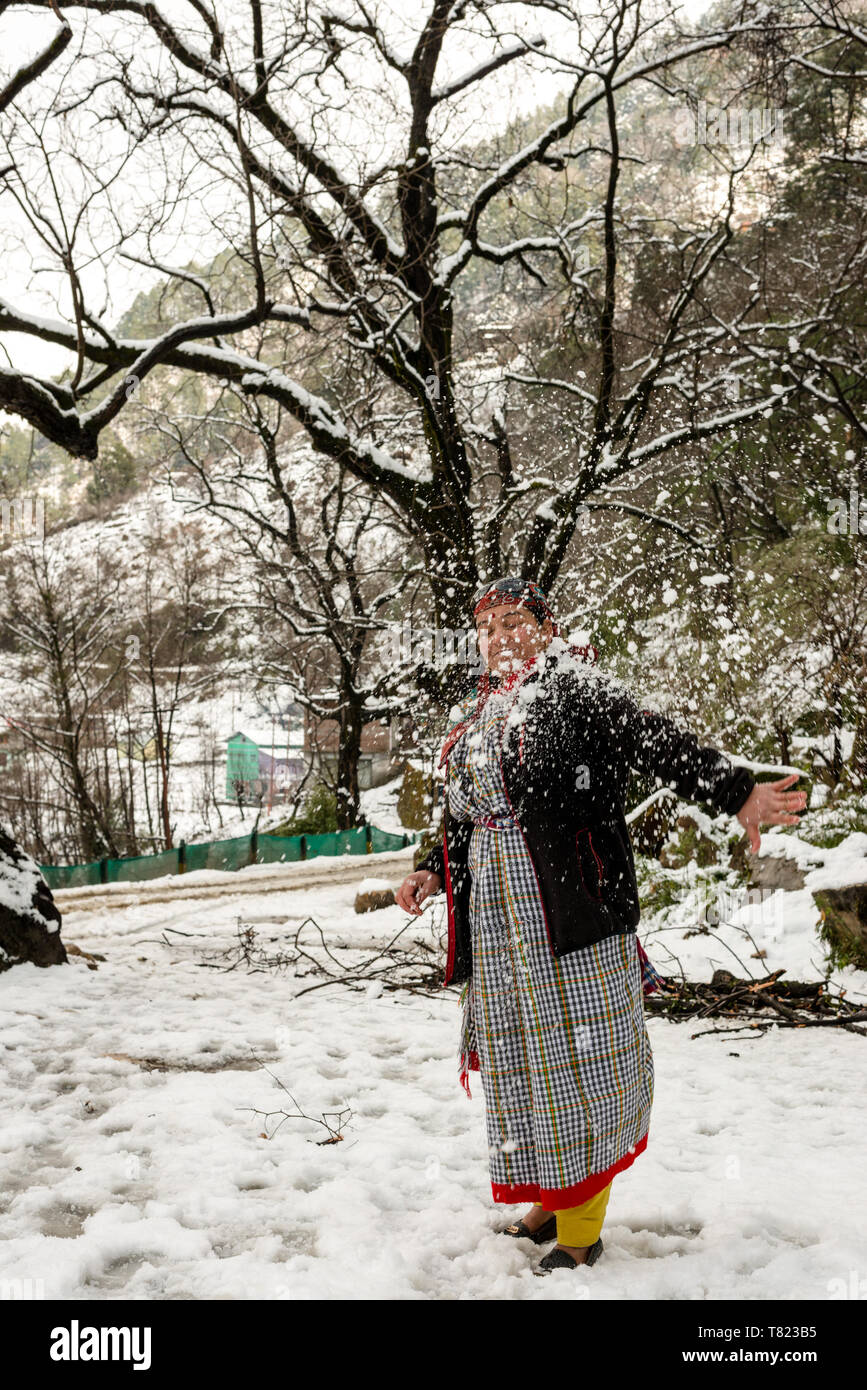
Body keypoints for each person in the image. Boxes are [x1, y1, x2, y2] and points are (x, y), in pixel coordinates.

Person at [396, 576, 807, 1274]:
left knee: (582, 1063)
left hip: (570, 913)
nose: (500, 635)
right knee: (524, 1057)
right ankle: (552, 1200)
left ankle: (580, 1228)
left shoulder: (576, 690)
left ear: (547, 627)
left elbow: (656, 742)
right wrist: (432, 867)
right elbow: (462, 813)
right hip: (498, 923)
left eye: (515, 620)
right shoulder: (477, 713)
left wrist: (733, 790)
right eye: (488, 625)